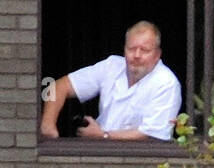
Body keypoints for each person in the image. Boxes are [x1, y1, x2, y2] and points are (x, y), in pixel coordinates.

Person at [39, 21, 181, 141]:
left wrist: (103, 135)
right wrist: (47, 124)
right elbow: (55, 86)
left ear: (157, 55)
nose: (137, 55)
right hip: (99, 155)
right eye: (131, 49)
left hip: (140, 164)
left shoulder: (166, 82)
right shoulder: (111, 66)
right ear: (124, 50)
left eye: (144, 50)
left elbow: (150, 135)